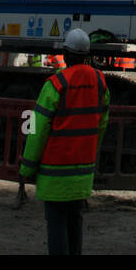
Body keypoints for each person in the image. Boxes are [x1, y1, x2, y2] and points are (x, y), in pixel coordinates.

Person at [17, 28, 110, 256]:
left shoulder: (56, 85)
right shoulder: (100, 82)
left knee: (56, 223)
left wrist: (27, 167)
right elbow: (101, 124)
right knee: (75, 220)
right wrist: (90, 153)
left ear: (65, 54)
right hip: (82, 173)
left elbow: (37, 130)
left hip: (55, 174)